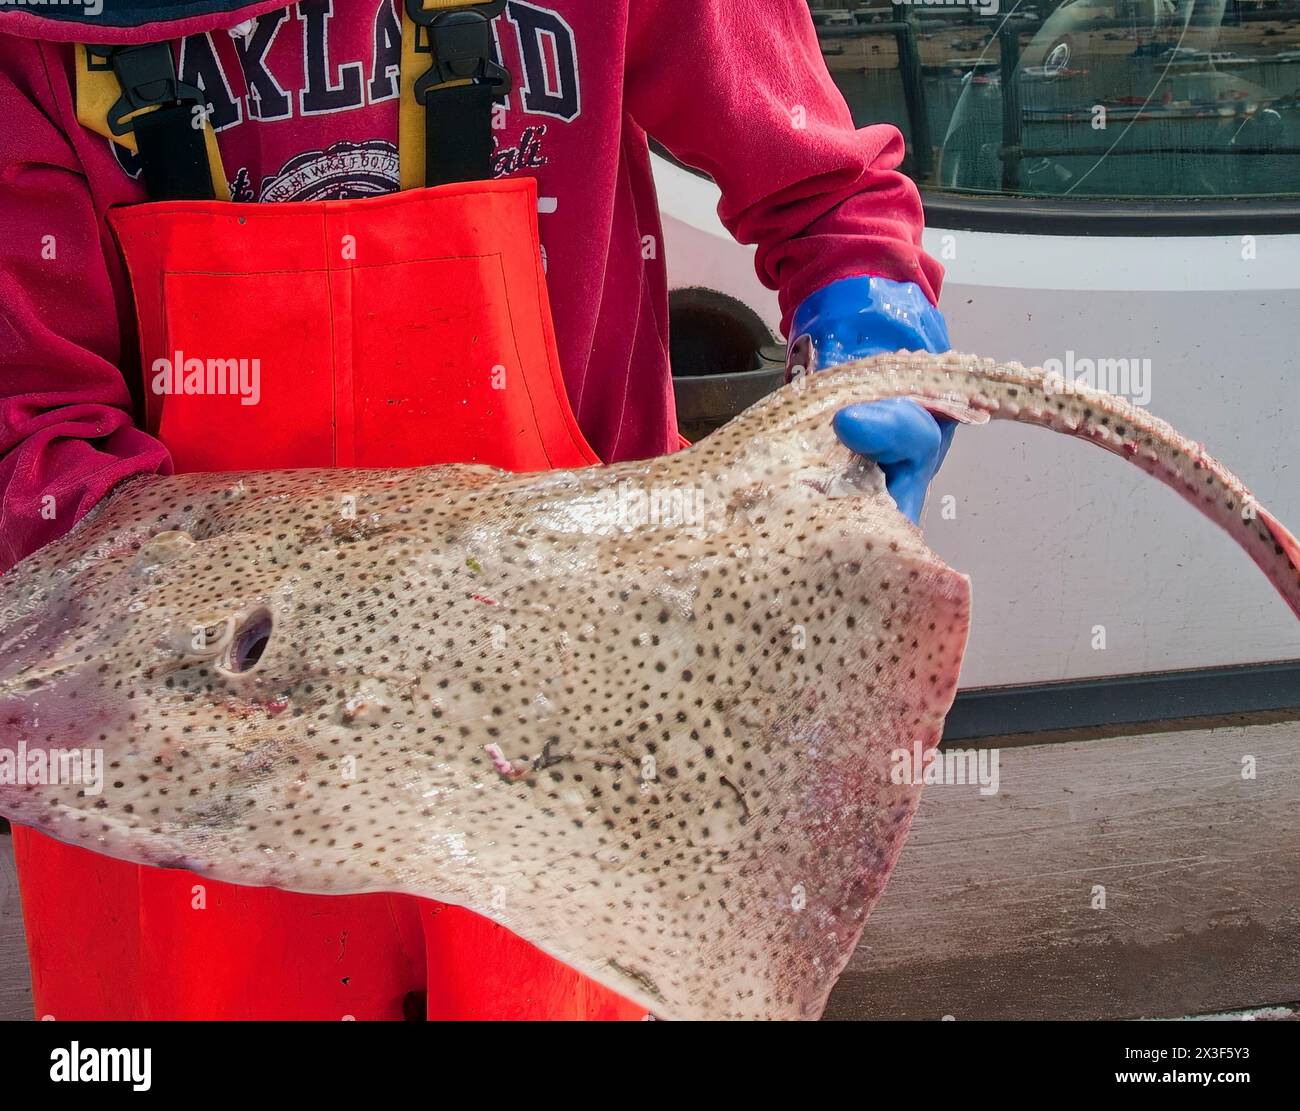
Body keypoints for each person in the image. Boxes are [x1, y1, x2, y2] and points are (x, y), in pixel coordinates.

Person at [0, 0, 952, 1019]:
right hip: (200, 746)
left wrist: (866, 315)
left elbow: (821, 190)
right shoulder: (32, 38)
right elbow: (32, 415)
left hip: (572, 718)